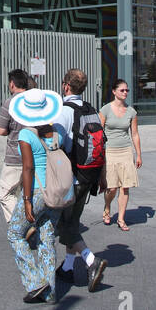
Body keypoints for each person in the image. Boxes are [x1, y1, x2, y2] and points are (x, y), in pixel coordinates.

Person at [6, 88, 65, 304]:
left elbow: (28, 168)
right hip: (58, 190)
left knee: (14, 233)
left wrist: (27, 200)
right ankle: (50, 292)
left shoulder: (25, 134)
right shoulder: (57, 131)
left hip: (38, 190)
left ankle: (35, 282)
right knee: (47, 238)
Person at [52, 68, 107, 292]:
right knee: (73, 221)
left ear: (66, 86)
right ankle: (67, 266)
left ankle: (91, 261)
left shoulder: (64, 111)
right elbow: (103, 143)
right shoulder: (91, 110)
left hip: (71, 176)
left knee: (65, 225)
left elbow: (55, 142)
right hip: (89, 175)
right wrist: (103, 175)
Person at [101, 78, 141, 230]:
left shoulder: (131, 112)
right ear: (114, 92)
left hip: (125, 151)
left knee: (125, 186)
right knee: (111, 187)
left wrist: (138, 154)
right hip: (109, 151)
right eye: (122, 90)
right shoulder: (105, 110)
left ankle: (121, 219)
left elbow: (135, 134)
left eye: (127, 90)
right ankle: (107, 207)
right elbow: (99, 132)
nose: (125, 93)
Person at [0, 69, 32, 221]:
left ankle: (21, 223)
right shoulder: (34, 101)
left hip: (14, 155)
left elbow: (2, 130)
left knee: (5, 194)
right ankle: (29, 220)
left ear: (12, 84)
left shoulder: (10, 102)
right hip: (34, 155)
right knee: (26, 193)